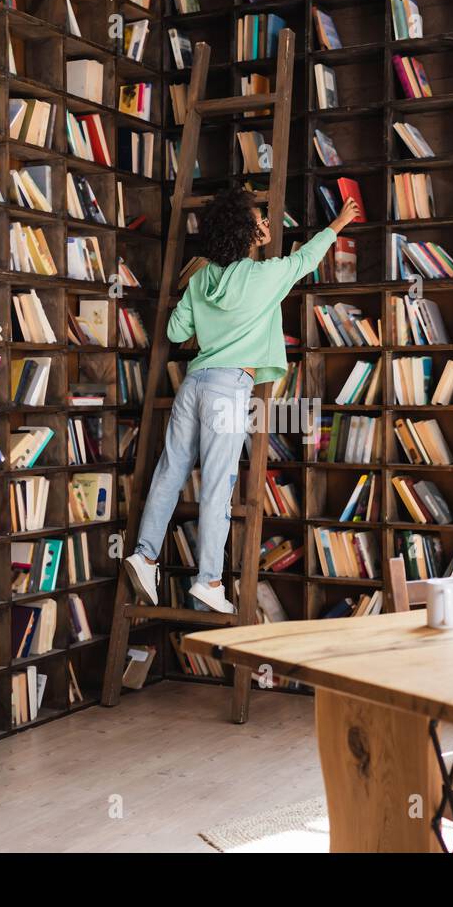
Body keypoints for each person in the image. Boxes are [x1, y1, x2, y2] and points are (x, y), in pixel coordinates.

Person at [123, 188, 362, 613]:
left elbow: (177, 333)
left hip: (193, 384)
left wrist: (204, 316)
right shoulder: (266, 275)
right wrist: (339, 224)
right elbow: (306, 260)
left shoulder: (199, 278)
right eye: (261, 220)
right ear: (245, 231)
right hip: (228, 387)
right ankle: (210, 580)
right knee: (218, 484)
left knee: (169, 471)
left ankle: (144, 555)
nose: (268, 226)